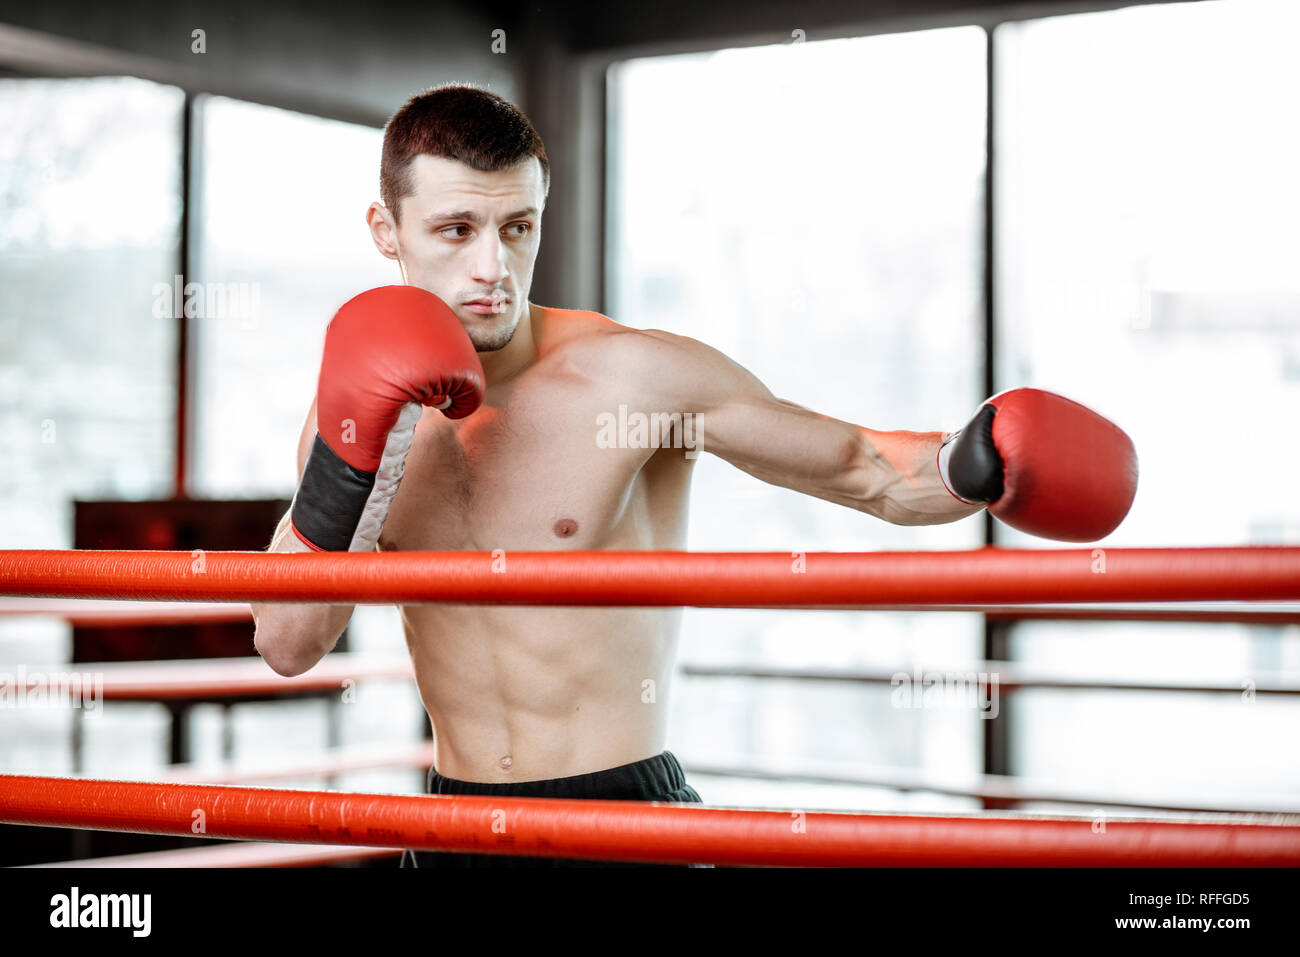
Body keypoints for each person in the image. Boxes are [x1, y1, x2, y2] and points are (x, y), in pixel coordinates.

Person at [249, 84, 1137, 868]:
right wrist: (348, 461)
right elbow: (289, 645)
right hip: (452, 830)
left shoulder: (631, 376)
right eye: (456, 230)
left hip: (622, 820)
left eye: (517, 228)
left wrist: (976, 459)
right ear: (385, 229)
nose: (493, 268)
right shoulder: (351, 421)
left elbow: (864, 467)